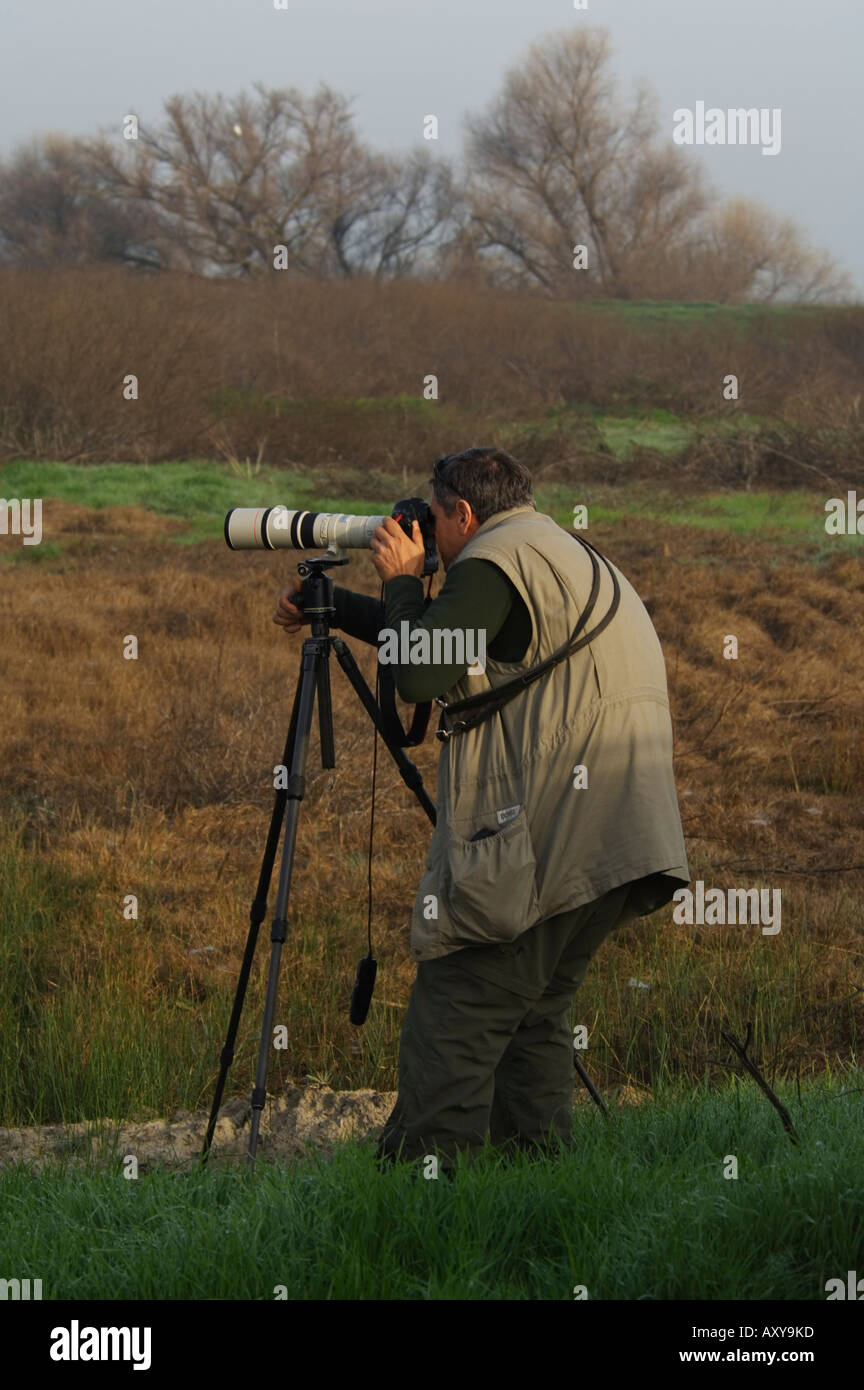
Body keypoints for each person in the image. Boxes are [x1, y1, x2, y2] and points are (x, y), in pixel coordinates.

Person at [273, 447, 690, 1176]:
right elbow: (456, 644)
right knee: (531, 1019)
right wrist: (336, 606)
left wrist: (403, 580)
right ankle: (532, 1195)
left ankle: (416, 1214)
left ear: (464, 513)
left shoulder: (494, 565)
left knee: (456, 1012)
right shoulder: (552, 551)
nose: (428, 535)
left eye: (433, 519)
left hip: (552, 832)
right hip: (619, 838)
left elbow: (423, 671)